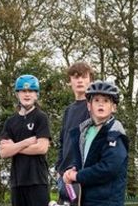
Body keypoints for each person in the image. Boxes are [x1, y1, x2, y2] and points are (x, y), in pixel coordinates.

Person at [62, 80, 130, 206]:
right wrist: (70, 171)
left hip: (106, 201)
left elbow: (108, 168)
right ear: (89, 105)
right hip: (85, 199)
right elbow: (83, 162)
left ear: (113, 107)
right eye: (97, 100)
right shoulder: (83, 132)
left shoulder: (115, 134)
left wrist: (77, 176)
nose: (101, 104)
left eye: (106, 101)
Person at [0, 74, 52, 206]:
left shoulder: (41, 117)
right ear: (17, 94)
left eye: (31, 91)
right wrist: (26, 142)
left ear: (36, 94)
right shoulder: (10, 122)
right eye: (23, 91)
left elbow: (42, 148)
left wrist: (14, 148)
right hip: (17, 182)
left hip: (37, 180)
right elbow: (3, 152)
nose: (27, 94)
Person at [57, 62, 94, 202]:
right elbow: (62, 141)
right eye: (75, 77)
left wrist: (78, 169)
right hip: (64, 176)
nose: (79, 81)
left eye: (84, 77)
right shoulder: (68, 110)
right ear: (69, 81)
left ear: (90, 80)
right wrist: (59, 169)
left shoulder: (93, 108)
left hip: (80, 174)